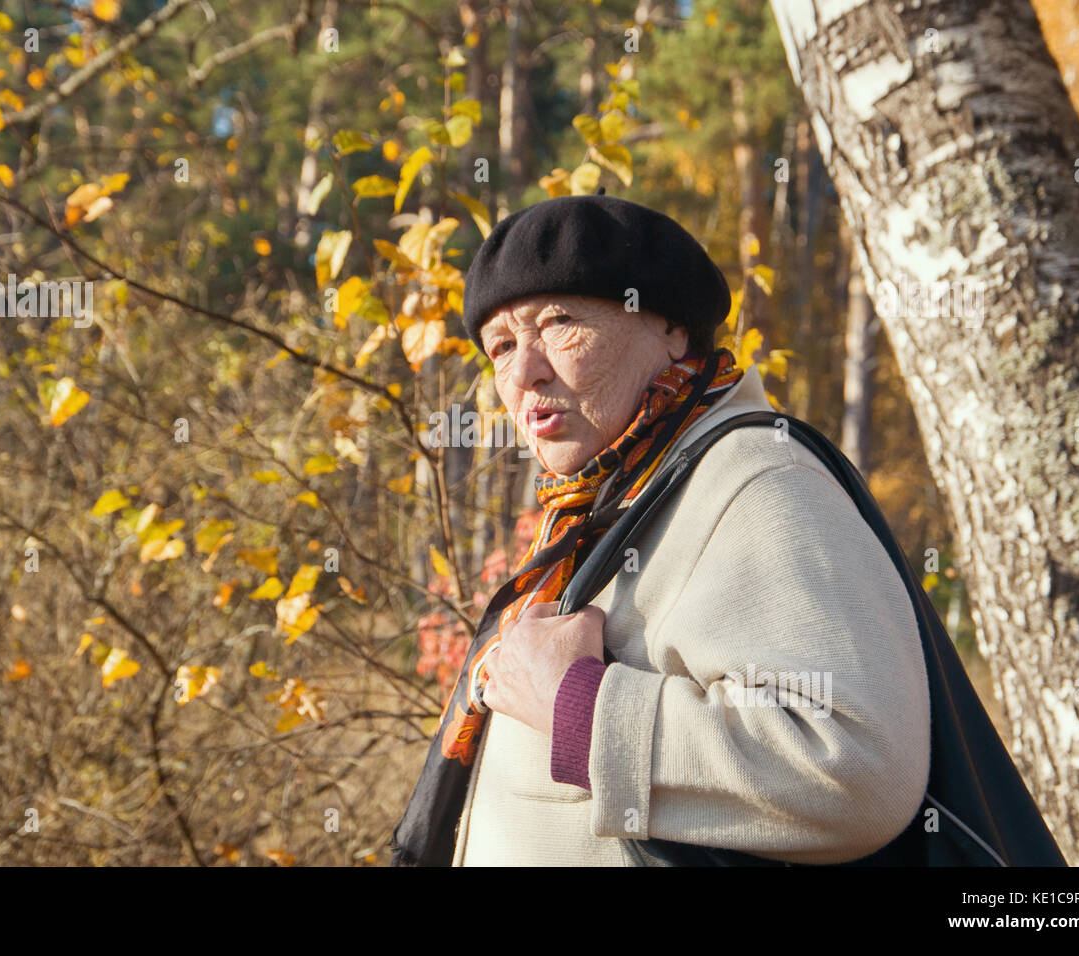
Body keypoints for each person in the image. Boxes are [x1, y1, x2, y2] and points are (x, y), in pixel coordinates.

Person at [389, 192, 930, 867]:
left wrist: (574, 705)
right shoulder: (603, 509)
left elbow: (856, 767)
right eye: (500, 346)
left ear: (671, 327)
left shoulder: (755, 478)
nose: (523, 371)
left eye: (557, 322)